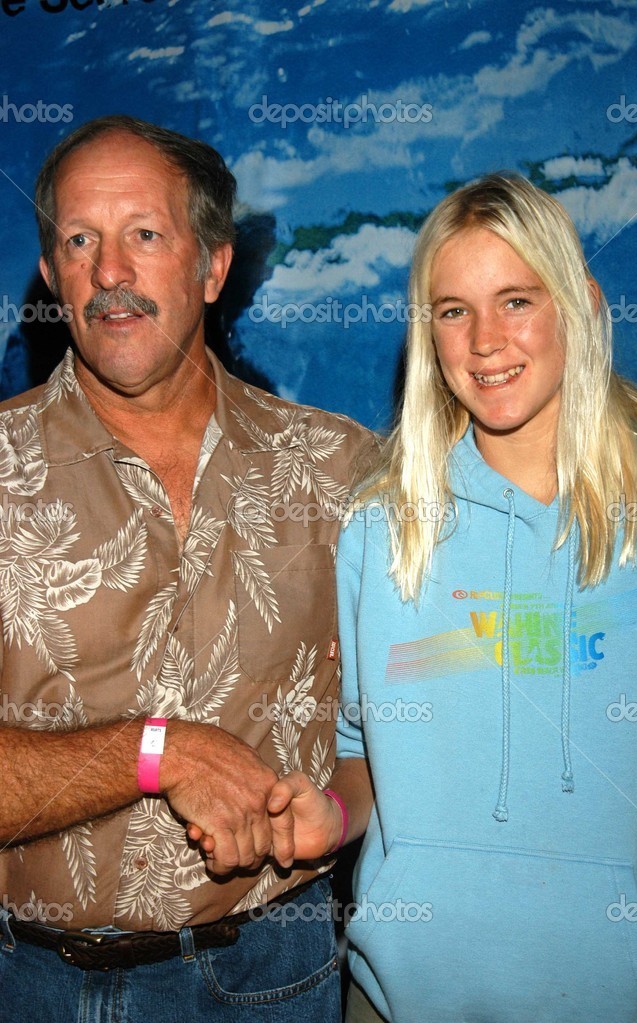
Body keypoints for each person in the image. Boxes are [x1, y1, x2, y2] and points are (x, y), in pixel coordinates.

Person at [265, 173, 637, 1023]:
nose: (485, 340)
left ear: (581, 301)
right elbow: (365, 755)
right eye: (453, 309)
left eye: (517, 299)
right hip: (398, 1002)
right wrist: (330, 813)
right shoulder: (383, 530)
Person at [0, 114, 377, 1022]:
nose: (110, 273)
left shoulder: (340, 469)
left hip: (277, 971)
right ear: (52, 274)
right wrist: (157, 752)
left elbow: (425, 701)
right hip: (31, 984)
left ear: (213, 265)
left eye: (144, 235)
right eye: (80, 240)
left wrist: (340, 807)